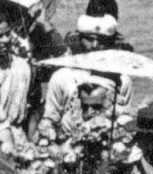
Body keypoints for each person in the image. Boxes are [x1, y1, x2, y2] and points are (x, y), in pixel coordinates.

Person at [38, 11, 134, 140]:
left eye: (101, 40)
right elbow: (50, 119)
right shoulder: (61, 77)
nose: (95, 46)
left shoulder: (123, 80)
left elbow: (125, 119)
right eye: (89, 39)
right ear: (79, 38)